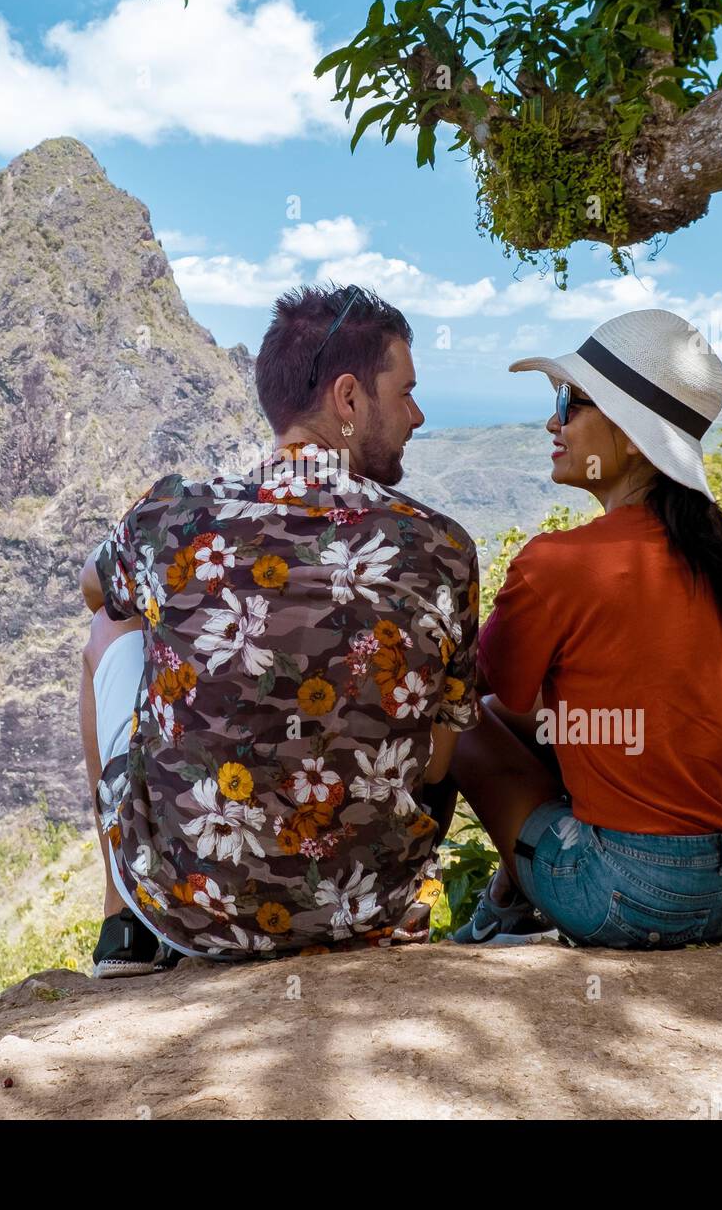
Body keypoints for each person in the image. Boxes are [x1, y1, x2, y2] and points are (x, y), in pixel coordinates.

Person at [77, 283, 481, 975]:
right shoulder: (441, 545)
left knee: (108, 638)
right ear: (349, 400)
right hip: (370, 906)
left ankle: (124, 926)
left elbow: (93, 588)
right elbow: (441, 762)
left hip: (192, 911)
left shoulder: (172, 518)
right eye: (406, 391)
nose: (417, 415)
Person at [449, 307, 722, 949]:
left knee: (466, 723)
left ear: (635, 436)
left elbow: (468, 690)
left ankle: (512, 890)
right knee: (557, 717)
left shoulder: (559, 562)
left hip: (642, 894)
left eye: (571, 402)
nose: (553, 421)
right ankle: (508, 888)